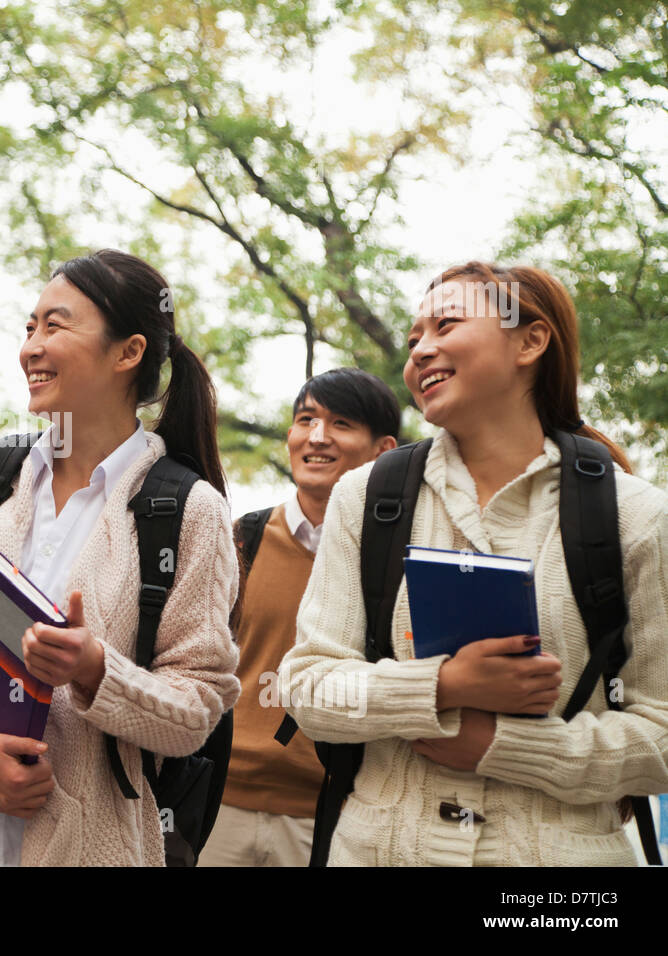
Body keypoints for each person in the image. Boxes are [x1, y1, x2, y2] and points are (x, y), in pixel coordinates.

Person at [281, 261, 668, 866]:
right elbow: (306, 689)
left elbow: (662, 737)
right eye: (414, 340)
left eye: (446, 324)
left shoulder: (637, 516)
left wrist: (505, 745)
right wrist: (442, 686)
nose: (421, 351)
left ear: (531, 341)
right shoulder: (367, 496)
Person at [0, 249, 240, 866]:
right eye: (30, 327)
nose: (31, 347)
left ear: (129, 352)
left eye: (55, 325)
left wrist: (98, 670)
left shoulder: (187, 511)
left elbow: (197, 707)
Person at [200, 367, 399, 867]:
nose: (317, 437)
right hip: (219, 803)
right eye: (305, 419)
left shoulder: (396, 561)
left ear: (384, 450)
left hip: (333, 812)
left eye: (341, 424)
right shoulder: (238, 540)